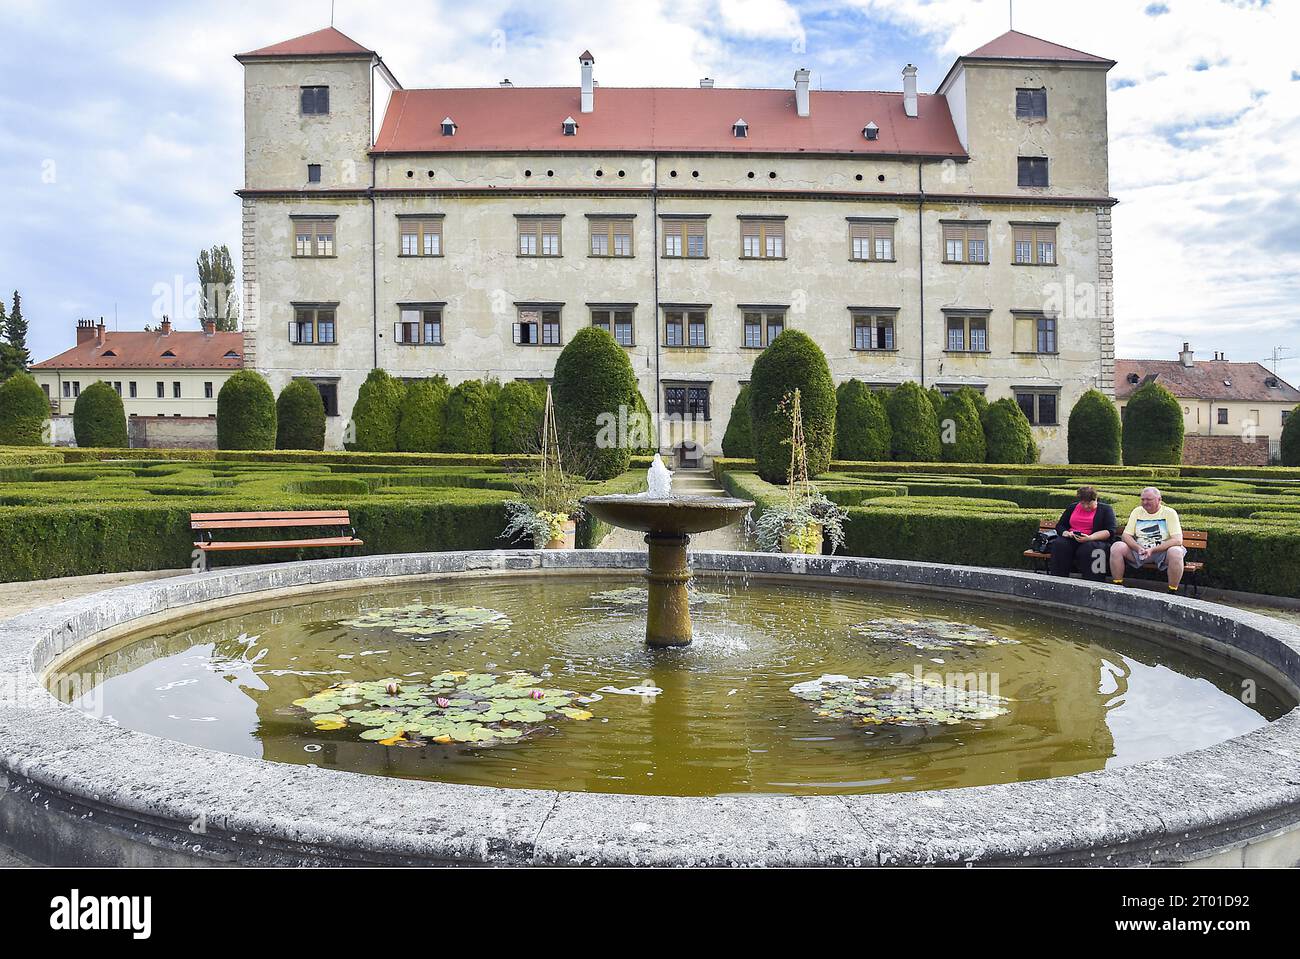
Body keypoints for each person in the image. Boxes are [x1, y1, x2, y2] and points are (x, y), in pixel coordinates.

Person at [1110, 487, 1187, 592]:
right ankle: (1117, 585)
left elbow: (1177, 540)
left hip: (1163, 553)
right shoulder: (1137, 511)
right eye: (1142, 499)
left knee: (1176, 551)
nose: (1145, 502)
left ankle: (1172, 591)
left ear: (1159, 499)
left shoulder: (1169, 513)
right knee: (1117, 546)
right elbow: (1126, 536)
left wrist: (1153, 550)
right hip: (1139, 552)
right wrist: (1137, 548)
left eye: (1148, 499)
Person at [1049, 486, 1117, 581]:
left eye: (1089, 503)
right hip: (1073, 538)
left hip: (1096, 540)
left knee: (1093, 549)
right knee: (1060, 544)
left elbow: (1110, 531)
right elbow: (1060, 525)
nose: (1085, 506)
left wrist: (1090, 537)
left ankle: (1095, 582)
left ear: (1095, 499)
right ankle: (1057, 579)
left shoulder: (1106, 509)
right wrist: (1066, 533)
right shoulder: (1072, 507)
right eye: (1082, 503)